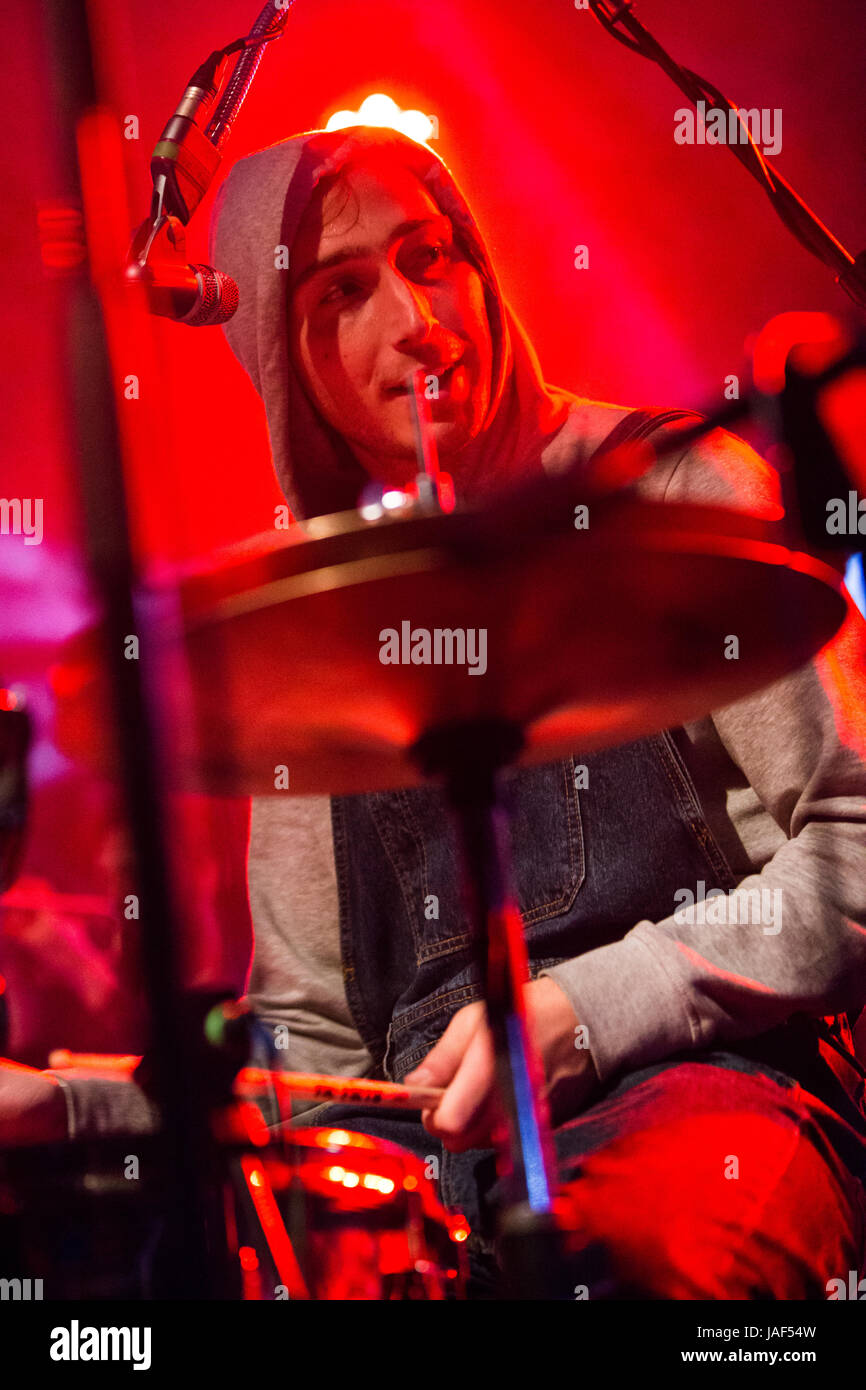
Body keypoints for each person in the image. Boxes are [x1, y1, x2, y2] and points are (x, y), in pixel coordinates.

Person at [3, 125, 866, 1299]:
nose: (416, 320)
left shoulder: (675, 487)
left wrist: (588, 1007)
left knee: (631, 1270)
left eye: (433, 256)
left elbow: (853, 852)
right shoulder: (303, 626)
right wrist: (73, 1103)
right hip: (429, 1160)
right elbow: (309, 1059)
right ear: (275, 355)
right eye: (345, 291)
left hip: (704, 1090)